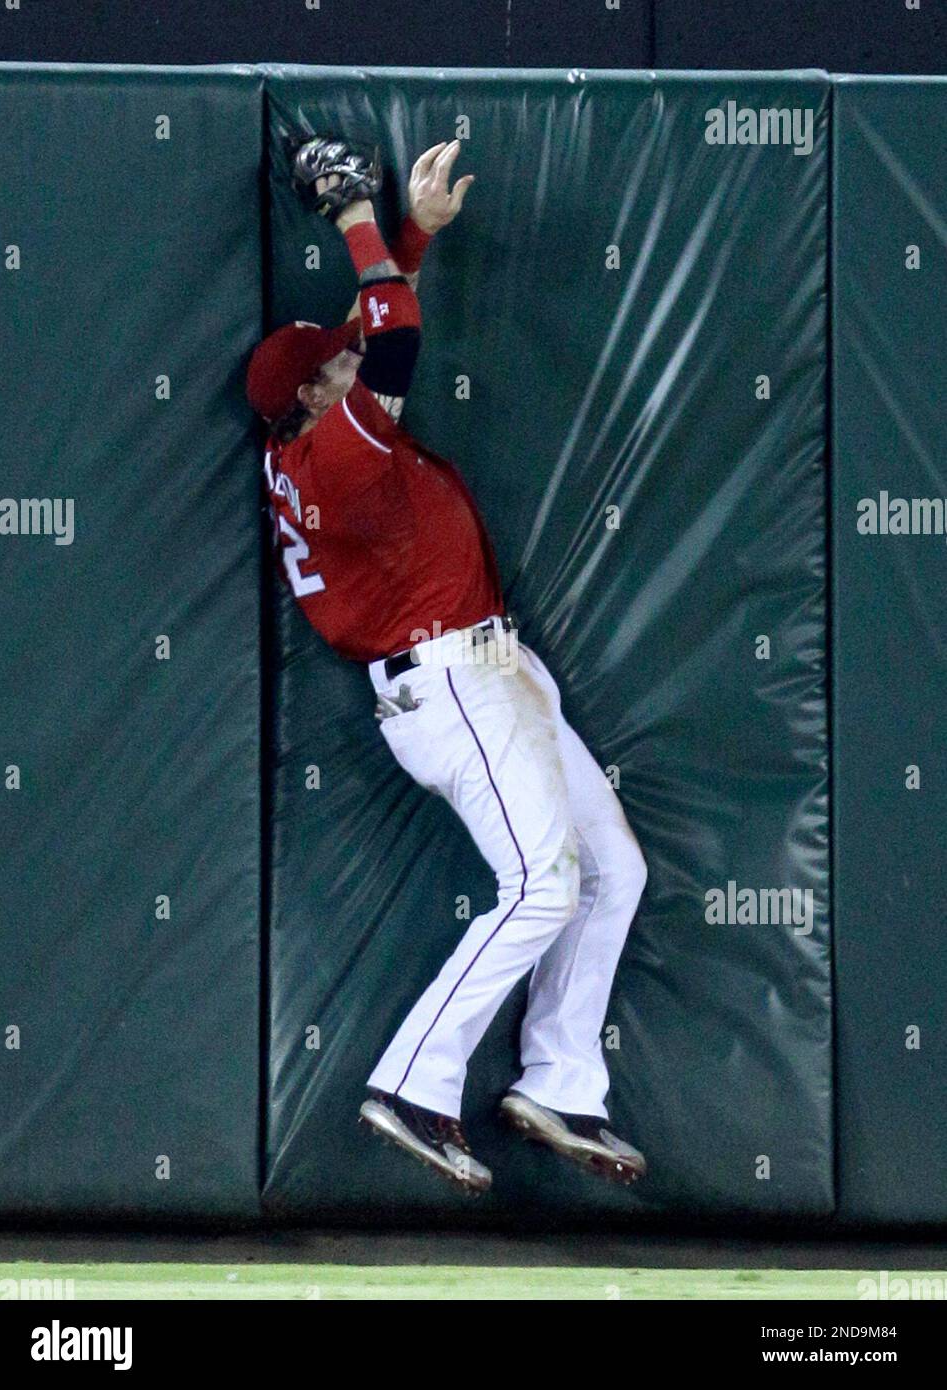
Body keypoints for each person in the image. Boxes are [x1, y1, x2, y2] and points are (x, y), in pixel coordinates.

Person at [247, 136, 649, 1195]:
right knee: (545, 884)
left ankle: (561, 1080)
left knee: (615, 872)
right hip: (453, 684)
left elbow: (382, 326)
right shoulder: (329, 453)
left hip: (484, 672)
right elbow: (394, 337)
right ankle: (415, 1085)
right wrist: (352, 218)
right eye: (330, 369)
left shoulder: (320, 440)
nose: (347, 364)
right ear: (305, 404)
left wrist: (410, 228)